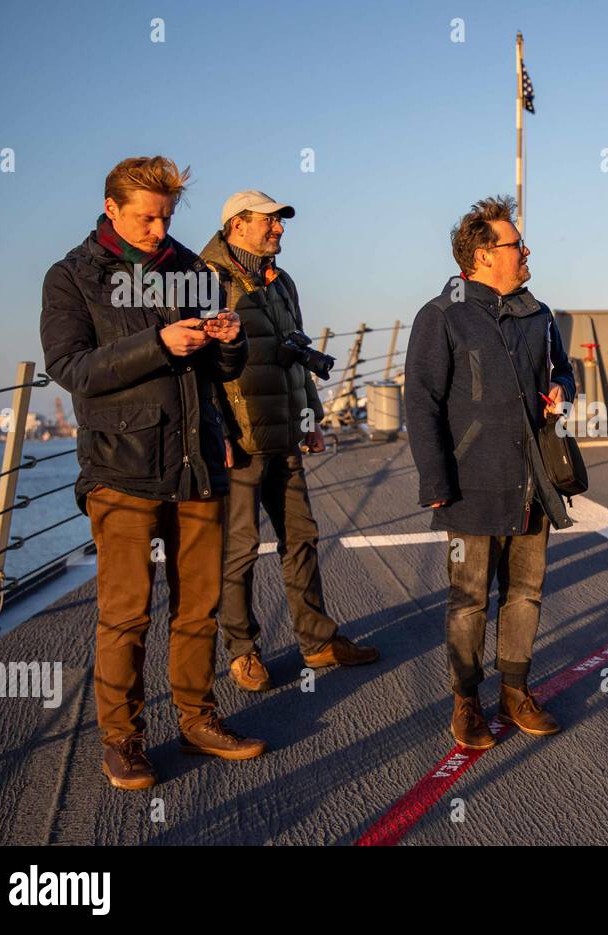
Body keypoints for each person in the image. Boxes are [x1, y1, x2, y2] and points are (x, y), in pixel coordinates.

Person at [40, 156, 266, 790]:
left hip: (197, 462)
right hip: (121, 467)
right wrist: (159, 345)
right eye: (146, 217)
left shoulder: (194, 270)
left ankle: (198, 722)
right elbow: (72, 368)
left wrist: (228, 340)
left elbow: (224, 372)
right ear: (111, 208)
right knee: (126, 614)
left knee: (200, 607)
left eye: (167, 216)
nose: (158, 229)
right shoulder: (71, 276)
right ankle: (124, 741)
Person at [404, 195, 576, 750]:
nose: (525, 251)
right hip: (471, 481)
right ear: (481, 255)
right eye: (514, 244)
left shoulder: (537, 313)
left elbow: (563, 373)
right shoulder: (443, 314)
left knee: (526, 593)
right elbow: (421, 401)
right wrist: (435, 482)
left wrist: (560, 391)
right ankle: (465, 701)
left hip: (532, 481)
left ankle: (516, 691)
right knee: (470, 598)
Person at [201, 191, 378, 691]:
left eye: (280, 223)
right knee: (239, 548)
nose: (279, 230)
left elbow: (296, 353)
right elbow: (200, 368)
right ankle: (242, 650)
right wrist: (217, 433)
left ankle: (317, 640)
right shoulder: (207, 280)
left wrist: (311, 417)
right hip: (240, 437)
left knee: (301, 536)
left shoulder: (282, 282)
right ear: (237, 226)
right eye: (270, 223)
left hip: (283, 433)